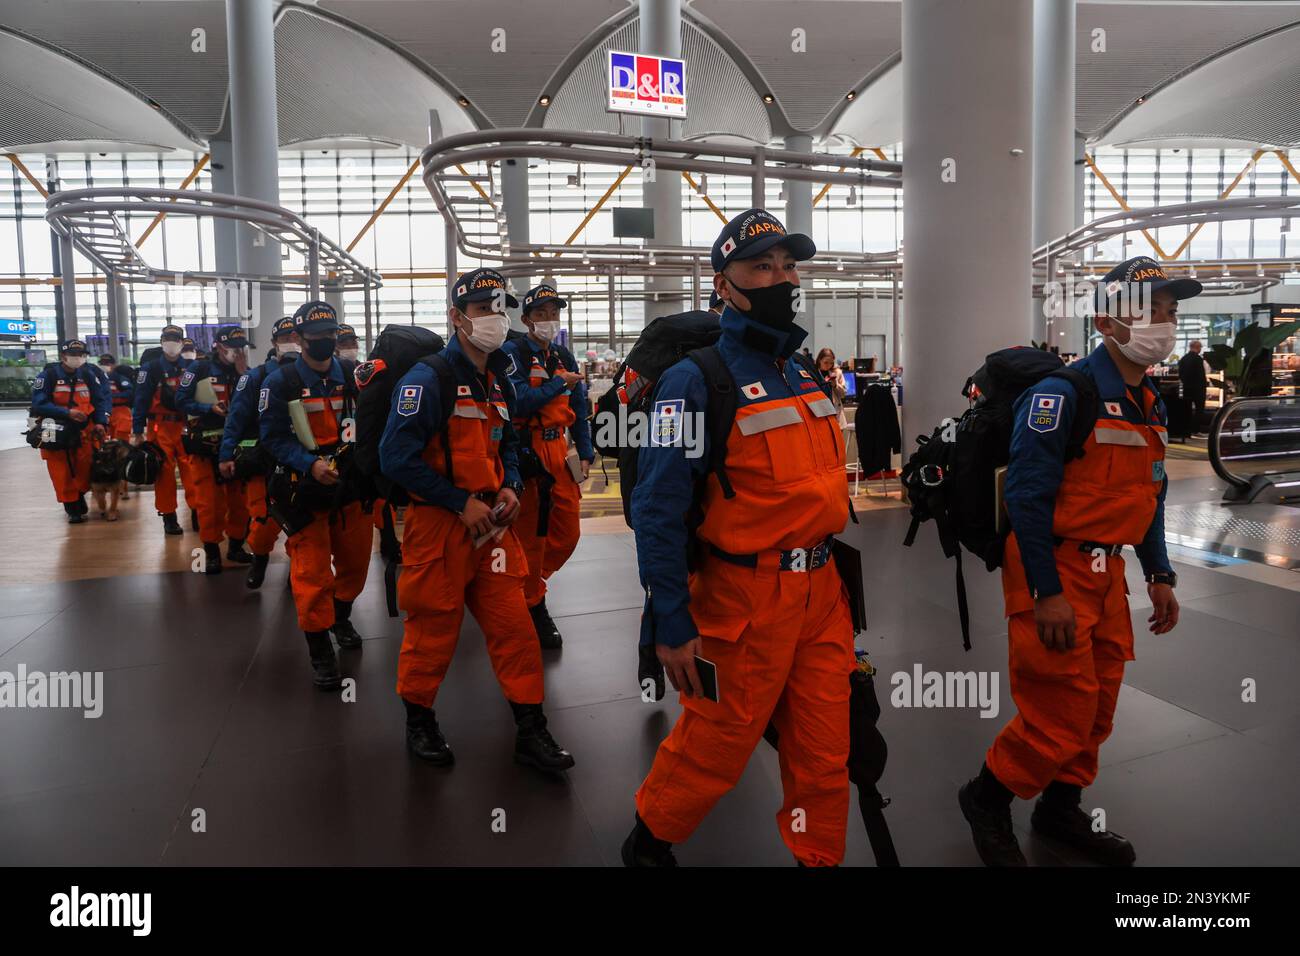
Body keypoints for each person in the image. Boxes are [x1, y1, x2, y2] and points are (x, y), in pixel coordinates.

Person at [622, 209, 854, 867]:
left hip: (822, 597)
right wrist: (669, 619)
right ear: (722, 283)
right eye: (761, 266)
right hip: (743, 602)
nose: (781, 278)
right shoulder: (693, 383)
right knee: (715, 747)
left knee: (824, 751)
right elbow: (658, 509)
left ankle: (819, 858)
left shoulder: (805, 372)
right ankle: (649, 844)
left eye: (788, 265)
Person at [958, 255, 1193, 867]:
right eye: (1151, 311)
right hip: (1054, 571)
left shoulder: (1149, 402)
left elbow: (1149, 494)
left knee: (1098, 707)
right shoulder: (1061, 395)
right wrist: (1045, 593)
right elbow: (1026, 500)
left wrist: (1159, 574)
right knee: (1058, 711)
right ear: (1106, 322)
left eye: (1170, 311)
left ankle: (1059, 808)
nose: (1166, 323)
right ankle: (987, 798)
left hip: (1107, 573)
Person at [379, 267, 574, 772]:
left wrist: (509, 483)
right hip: (441, 527)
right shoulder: (427, 380)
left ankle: (532, 730)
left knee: (515, 630)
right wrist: (457, 502)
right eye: (483, 309)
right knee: (432, 632)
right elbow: (395, 457)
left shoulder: (497, 381)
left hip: (492, 528)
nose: (494, 318)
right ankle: (418, 720)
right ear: (456, 317)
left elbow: (507, 441)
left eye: (499, 308)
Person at [260, 302, 373, 688]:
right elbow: (271, 437)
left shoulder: (354, 378)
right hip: (304, 490)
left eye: (331, 334)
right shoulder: (281, 382)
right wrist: (309, 464)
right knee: (311, 575)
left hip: (350, 488)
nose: (325, 342)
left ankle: (341, 616)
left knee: (356, 565)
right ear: (299, 338)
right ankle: (319, 649)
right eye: (317, 336)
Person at [501, 284, 593, 648]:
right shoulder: (513, 353)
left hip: (561, 452)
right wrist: (557, 384)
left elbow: (580, 407)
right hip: (530, 453)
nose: (549, 320)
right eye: (541, 314)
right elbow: (519, 402)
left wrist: (585, 450)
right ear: (525, 320)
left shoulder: (562, 355)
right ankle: (532, 606)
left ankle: (531, 585)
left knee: (567, 534)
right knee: (530, 537)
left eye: (554, 313)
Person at [220, 316, 300, 589]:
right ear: (275, 343)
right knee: (263, 517)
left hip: (300, 458)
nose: (291, 343)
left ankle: (298, 569)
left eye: (294, 337)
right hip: (262, 460)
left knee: (300, 518)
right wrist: (226, 454)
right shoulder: (256, 377)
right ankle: (260, 557)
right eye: (284, 338)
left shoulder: (310, 374)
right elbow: (236, 418)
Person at [176, 325, 256, 575]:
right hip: (206, 444)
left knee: (241, 501)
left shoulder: (247, 373)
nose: (237, 352)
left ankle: (236, 545)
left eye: (241, 347)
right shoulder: (199, 369)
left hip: (237, 446)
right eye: (233, 348)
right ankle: (211, 552)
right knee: (209, 502)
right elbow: (180, 400)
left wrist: (245, 376)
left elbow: (258, 402)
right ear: (219, 347)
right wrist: (207, 408)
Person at [131, 325, 200, 535]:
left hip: (186, 425)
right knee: (164, 472)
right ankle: (169, 516)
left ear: (182, 342)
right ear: (162, 341)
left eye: (175, 339)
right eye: (168, 338)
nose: (171, 342)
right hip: (159, 426)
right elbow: (141, 399)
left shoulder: (192, 367)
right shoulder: (150, 368)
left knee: (193, 469)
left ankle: (199, 511)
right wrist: (137, 430)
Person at [31, 339, 109, 523]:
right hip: (53, 426)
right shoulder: (47, 376)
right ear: (63, 357)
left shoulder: (88, 375)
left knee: (85, 465)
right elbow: (39, 404)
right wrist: (67, 412)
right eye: (73, 355)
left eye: (81, 355)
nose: (78, 358)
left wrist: (101, 422)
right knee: (60, 468)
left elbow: (100, 400)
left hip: (83, 427)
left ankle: (79, 493)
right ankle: (72, 506)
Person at [1177, 339, 1208, 433]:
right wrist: (1204, 385)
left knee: (1187, 409)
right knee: (1199, 409)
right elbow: (1201, 375)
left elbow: (1180, 373)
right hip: (1198, 388)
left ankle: (1186, 430)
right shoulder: (1198, 359)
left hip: (1187, 387)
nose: (1201, 349)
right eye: (1200, 347)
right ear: (1197, 347)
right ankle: (1195, 430)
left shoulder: (1184, 358)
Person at [816, 347, 848, 430]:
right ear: (819, 360)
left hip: (835, 411)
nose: (828, 365)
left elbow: (843, 394)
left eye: (831, 363)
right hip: (820, 411)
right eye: (826, 362)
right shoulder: (813, 373)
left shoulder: (837, 373)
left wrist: (835, 385)